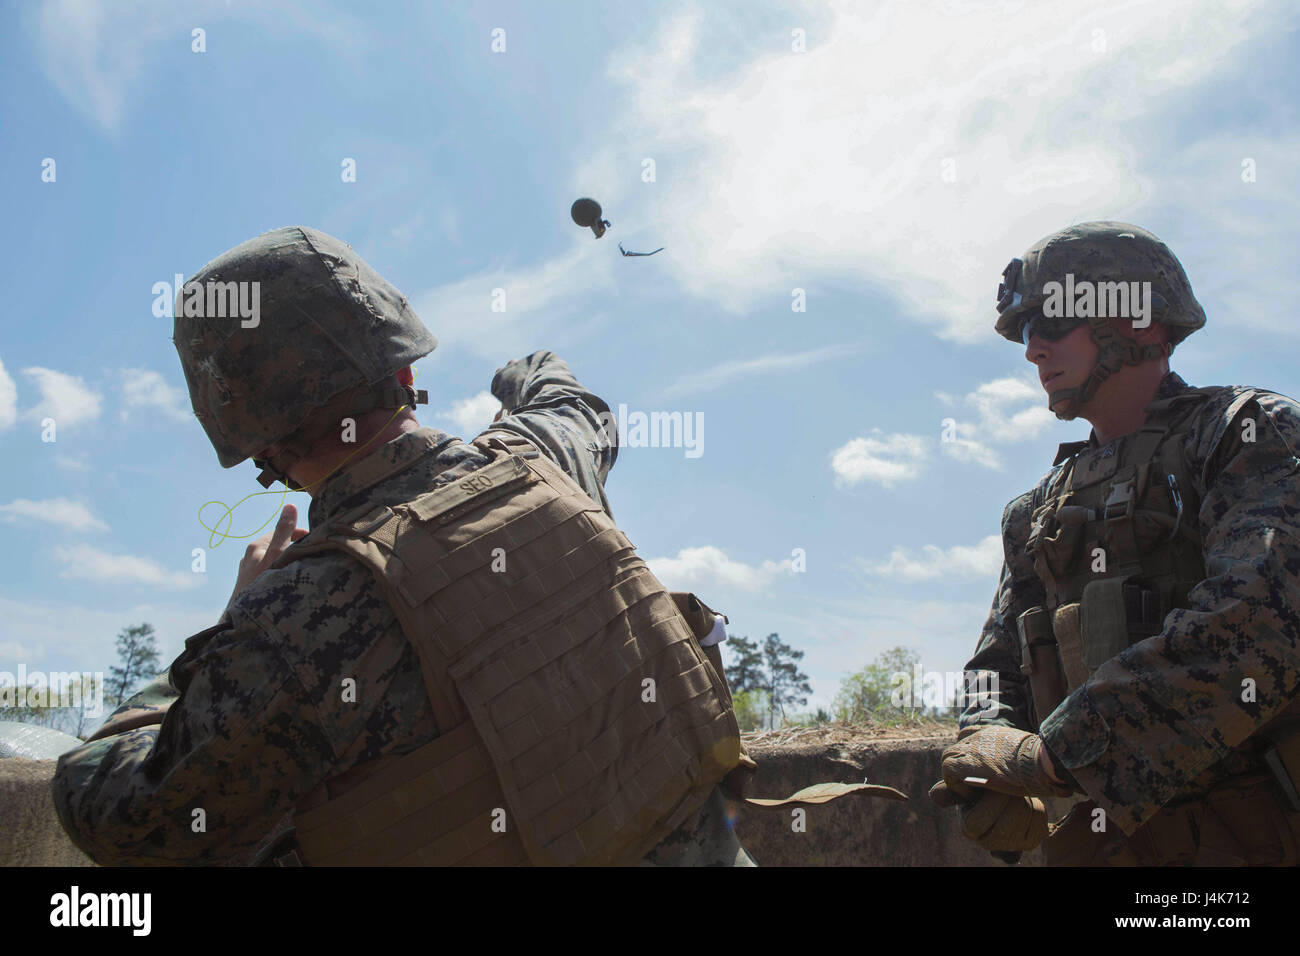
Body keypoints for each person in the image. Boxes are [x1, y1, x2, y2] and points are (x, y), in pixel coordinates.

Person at [51, 225, 755, 866]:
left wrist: (214, 640)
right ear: (407, 374)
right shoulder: (541, 460)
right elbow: (572, 404)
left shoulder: (292, 615)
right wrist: (526, 373)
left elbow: (130, 823)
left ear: (261, 449)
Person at [930, 221, 1300, 865]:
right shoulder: (1034, 513)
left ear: (1137, 323)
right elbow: (996, 668)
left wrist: (1057, 754)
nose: (1032, 351)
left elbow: (1258, 623)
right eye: (1024, 332)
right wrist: (987, 748)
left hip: (1258, 832)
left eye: (1049, 323)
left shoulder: (1246, 434)